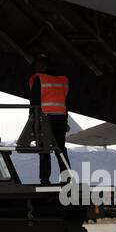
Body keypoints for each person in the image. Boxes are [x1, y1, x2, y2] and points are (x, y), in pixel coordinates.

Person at [20, 55, 70, 185]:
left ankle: (45, 179)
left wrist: (32, 122)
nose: (36, 69)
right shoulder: (63, 81)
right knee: (61, 149)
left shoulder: (40, 80)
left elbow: (34, 103)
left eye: (37, 66)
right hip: (61, 119)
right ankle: (67, 179)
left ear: (43, 66)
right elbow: (66, 102)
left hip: (45, 119)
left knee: (44, 149)